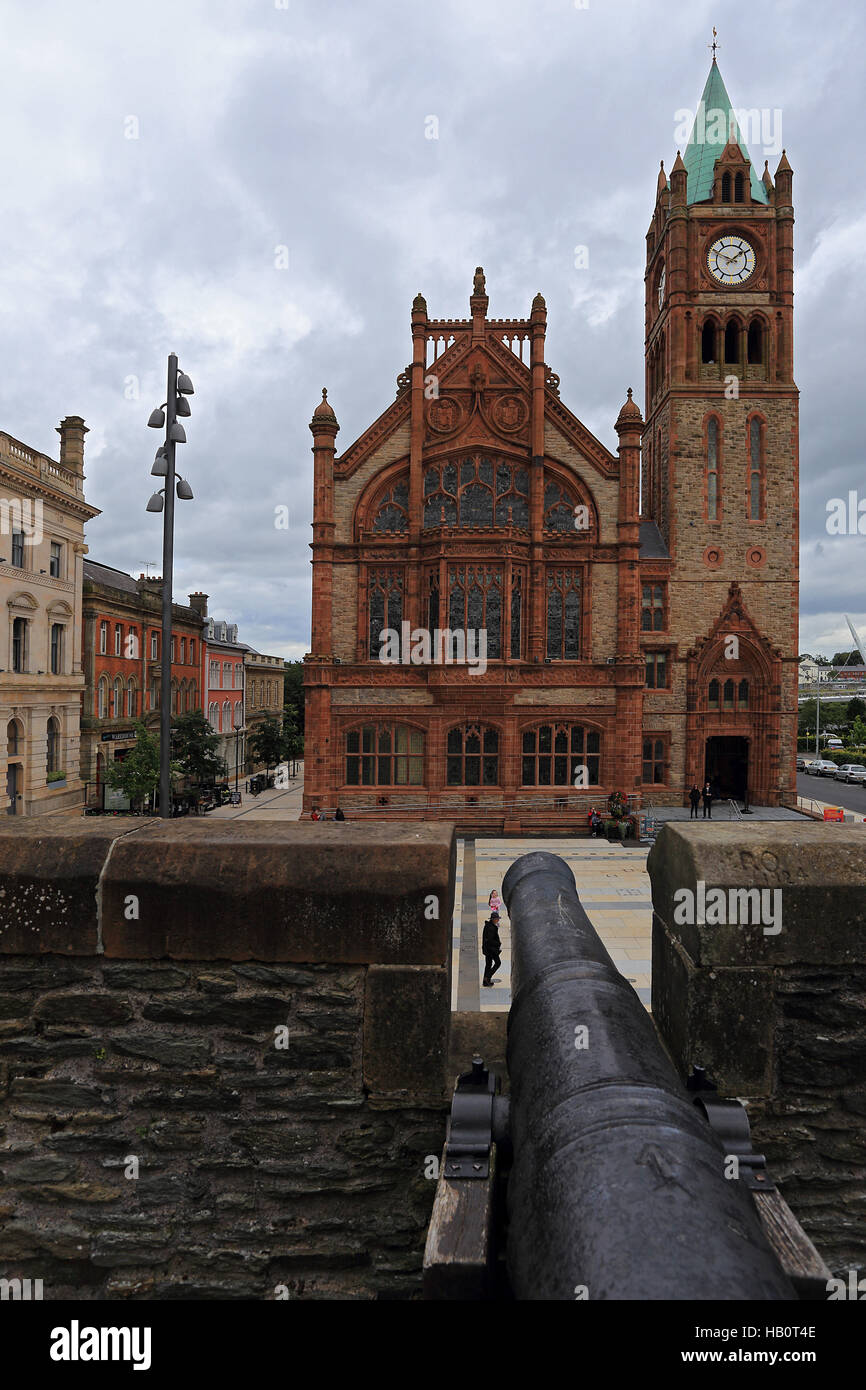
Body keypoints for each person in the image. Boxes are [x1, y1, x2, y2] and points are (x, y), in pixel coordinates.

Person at [482, 911, 502, 988]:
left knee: (488, 964)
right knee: (498, 963)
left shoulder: (489, 926)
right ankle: (487, 977)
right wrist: (498, 943)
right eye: (497, 919)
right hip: (491, 950)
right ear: (493, 919)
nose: (498, 920)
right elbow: (490, 940)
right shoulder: (491, 928)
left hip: (487, 949)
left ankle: (485, 981)